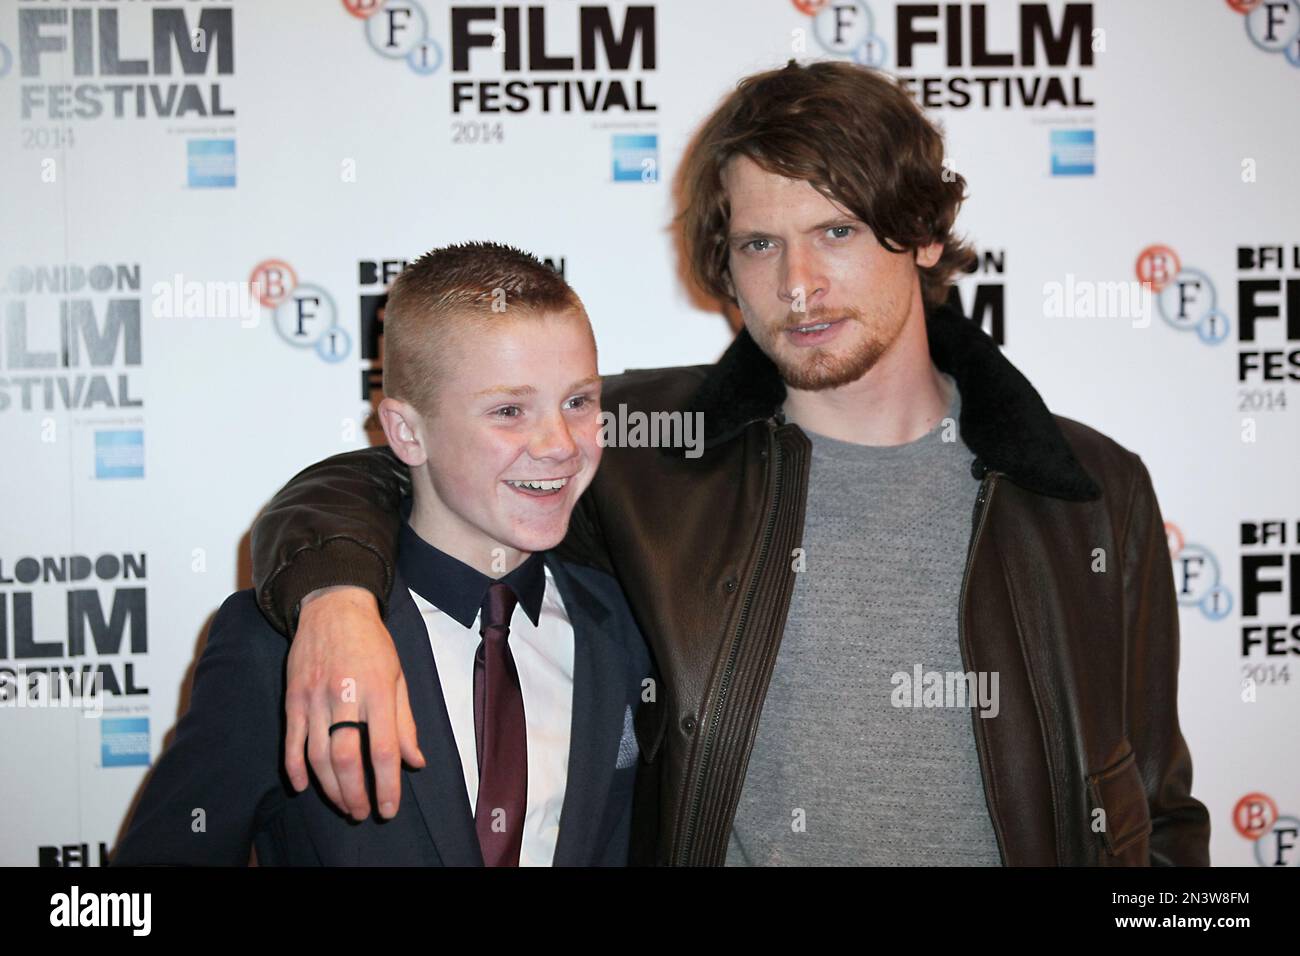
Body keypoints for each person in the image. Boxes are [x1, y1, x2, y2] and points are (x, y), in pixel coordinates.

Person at [247, 61, 1210, 866]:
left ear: (921, 233)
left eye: (836, 231)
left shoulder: (1085, 490)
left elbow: (1156, 812)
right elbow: (387, 476)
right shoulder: (651, 453)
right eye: (760, 244)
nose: (798, 285)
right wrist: (334, 601)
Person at [113, 242, 655, 866]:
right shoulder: (280, 647)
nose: (560, 444)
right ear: (406, 431)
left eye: (578, 402)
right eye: (509, 410)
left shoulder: (631, 622)